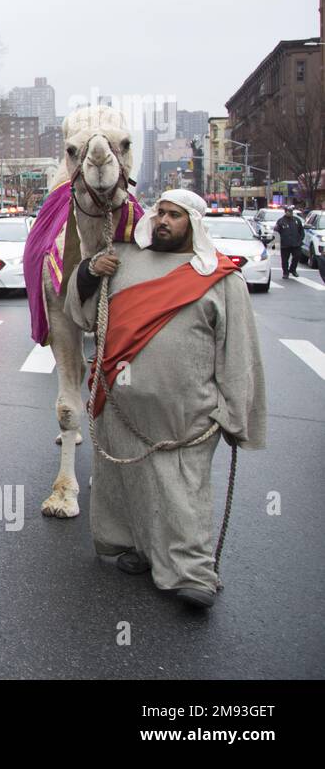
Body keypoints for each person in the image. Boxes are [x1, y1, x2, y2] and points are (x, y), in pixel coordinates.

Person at [66, 189, 266, 610]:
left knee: (182, 493)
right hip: (120, 407)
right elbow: (83, 314)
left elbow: (239, 353)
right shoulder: (122, 263)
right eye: (160, 213)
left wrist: (235, 413)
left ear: (192, 223)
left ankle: (192, 573)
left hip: (186, 417)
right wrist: (88, 273)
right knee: (129, 485)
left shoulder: (221, 277)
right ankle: (135, 546)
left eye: (175, 216)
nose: (163, 221)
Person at [273, 206, 304, 278]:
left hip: (296, 244)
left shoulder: (297, 220)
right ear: (285, 212)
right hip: (285, 244)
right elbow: (276, 233)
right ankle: (285, 273)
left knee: (297, 256)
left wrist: (300, 240)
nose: (290, 213)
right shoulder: (280, 221)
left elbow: (301, 231)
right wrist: (276, 243)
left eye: (291, 211)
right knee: (284, 260)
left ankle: (293, 269)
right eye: (288, 211)